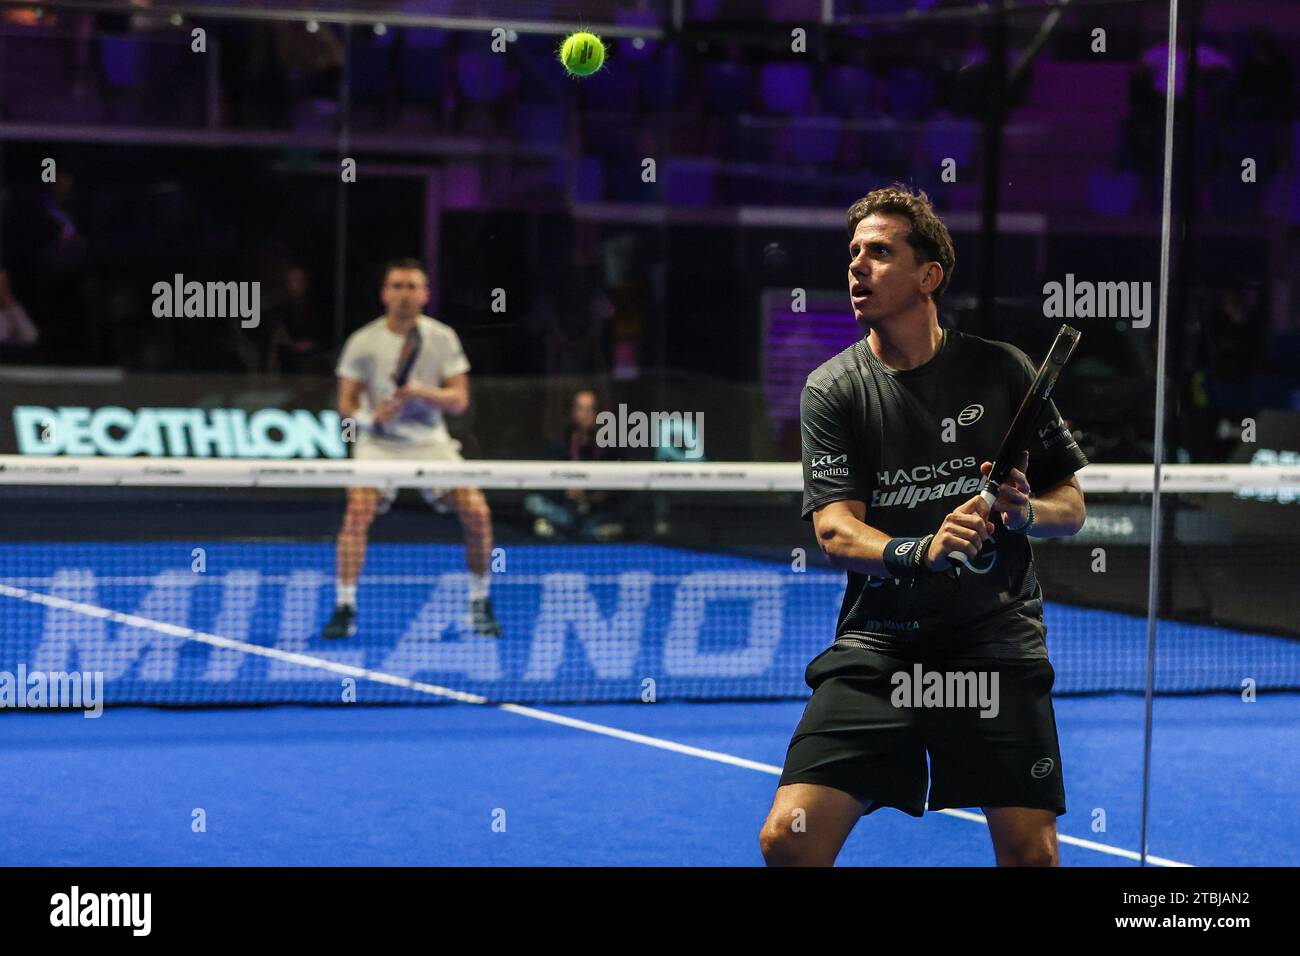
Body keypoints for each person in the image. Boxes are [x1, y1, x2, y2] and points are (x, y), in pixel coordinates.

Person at [759, 185, 1088, 867]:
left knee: (1034, 857)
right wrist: (922, 551)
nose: (857, 266)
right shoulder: (834, 389)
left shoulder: (1001, 371)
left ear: (928, 275)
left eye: (880, 252)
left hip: (994, 641)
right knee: (787, 840)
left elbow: (1071, 508)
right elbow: (836, 533)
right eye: (853, 253)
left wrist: (1026, 511)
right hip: (881, 645)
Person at [322, 257, 500, 639]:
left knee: (478, 513)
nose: (404, 295)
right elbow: (346, 406)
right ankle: (345, 606)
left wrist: (420, 391)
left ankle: (479, 602)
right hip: (378, 443)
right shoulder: (363, 342)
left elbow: (459, 400)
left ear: (425, 294)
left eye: (412, 287)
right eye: (397, 287)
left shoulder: (443, 338)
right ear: (385, 293)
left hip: (430, 443)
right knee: (357, 513)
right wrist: (374, 418)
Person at [524, 388, 624, 541]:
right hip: (565, 509)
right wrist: (565, 490)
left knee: (600, 524)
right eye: (580, 409)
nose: (585, 414)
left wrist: (593, 495)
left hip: (595, 510)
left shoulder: (610, 448)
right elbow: (544, 484)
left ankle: (580, 531)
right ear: (572, 412)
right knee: (533, 502)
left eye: (590, 409)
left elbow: (620, 488)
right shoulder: (559, 446)